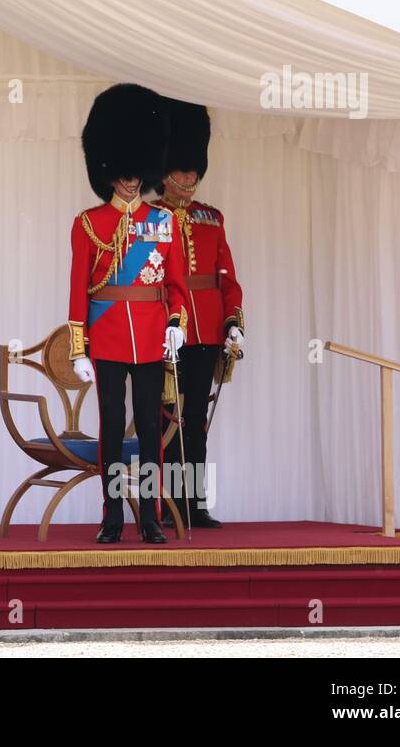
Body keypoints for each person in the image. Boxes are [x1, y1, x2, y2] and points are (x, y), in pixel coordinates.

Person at [69, 84, 190, 545]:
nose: (130, 180)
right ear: (108, 171)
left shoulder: (164, 222)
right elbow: (79, 289)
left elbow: (175, 286)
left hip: (151, 336)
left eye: (136, 172)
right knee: (113, 431)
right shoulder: (88, 224)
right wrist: (80, 347)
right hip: (108, 338)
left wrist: (176, 326)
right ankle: (112, 515)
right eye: (122, 173)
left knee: (152, 429)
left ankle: (152, 516)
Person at [158, 99, 244, 529]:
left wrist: (233, 322)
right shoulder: (148, 219)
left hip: (206, 332)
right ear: (165, 172)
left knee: (196, 422)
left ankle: (195, 503)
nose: (189, 177)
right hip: (165, 334)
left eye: (194, 170)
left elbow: (227, 278)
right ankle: (170, 506)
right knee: (166, 421)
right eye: (181, 169)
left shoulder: (212, 219)